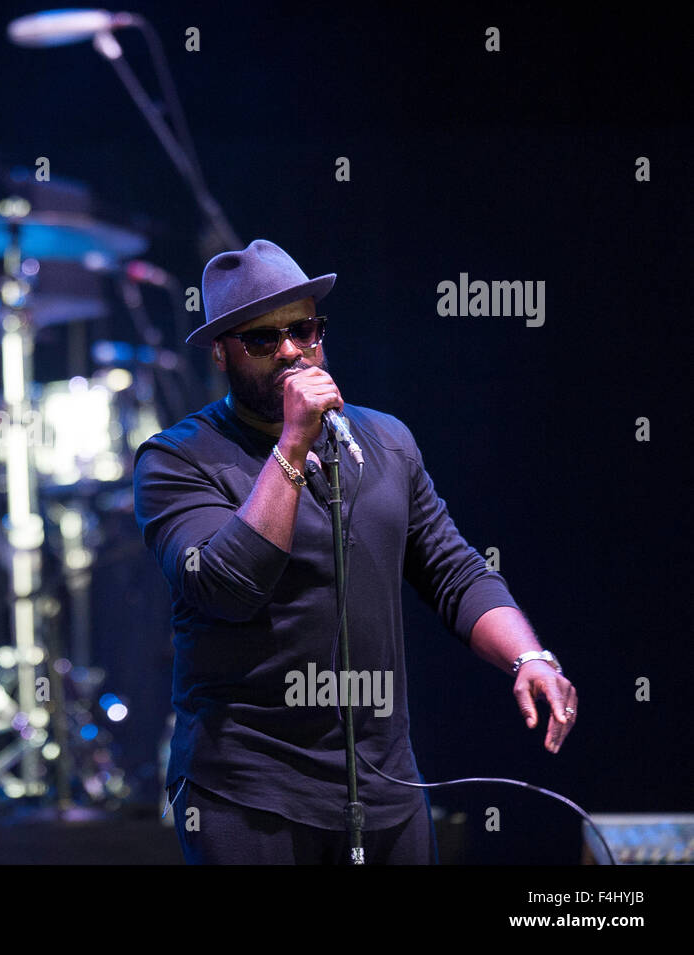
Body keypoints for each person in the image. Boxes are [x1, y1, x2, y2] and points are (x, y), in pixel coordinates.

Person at [133, 239, 578, 864]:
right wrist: (291, 447)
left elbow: (453, 570)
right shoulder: (178, 459)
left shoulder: (386, 441)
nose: (290, 350)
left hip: (384, 787)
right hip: (248, 792)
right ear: (221, 352)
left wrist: (527, 656)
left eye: (303, 330)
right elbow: (228, 586)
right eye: (263, 340)